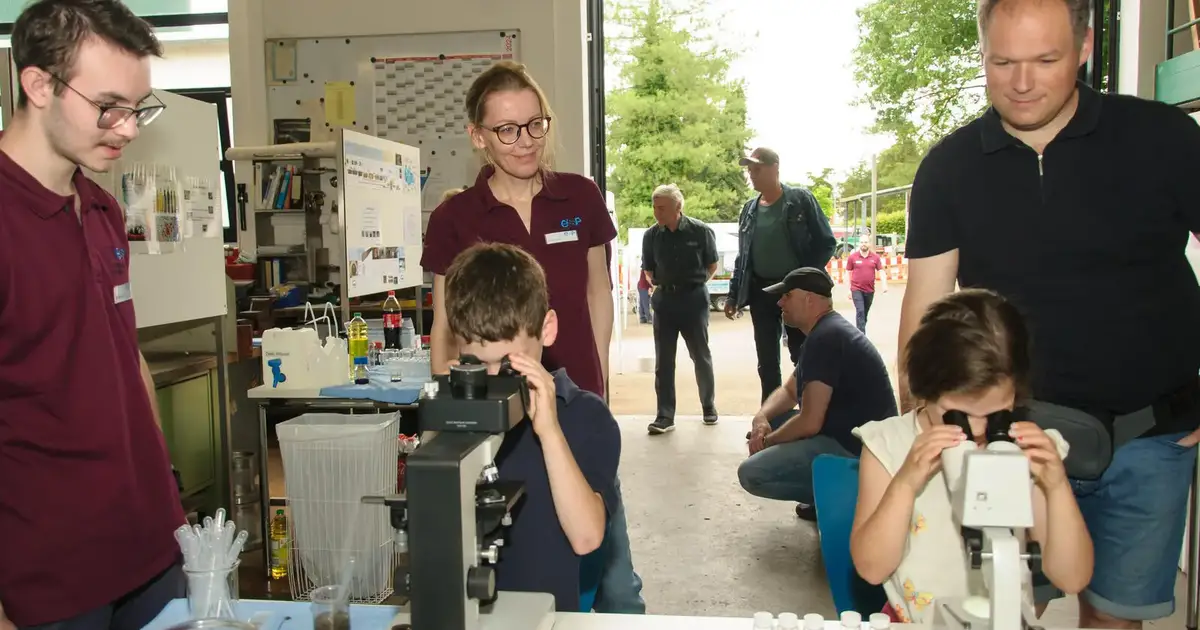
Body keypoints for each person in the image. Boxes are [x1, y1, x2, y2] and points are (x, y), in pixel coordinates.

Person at [897, 0, 1200, 626]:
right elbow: (924, 308)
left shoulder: (1167, 139)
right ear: (982, 55)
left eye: (1046, 59)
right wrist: (920, 421)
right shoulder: (948, 169)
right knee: (1000, 610)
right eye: (1003, 62)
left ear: (1085, 48)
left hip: (1149, 438)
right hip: (1005, 442)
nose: (1023, 82)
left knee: (1114, 618)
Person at [421, 61, 644, 614]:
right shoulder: (455, 216)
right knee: (508, 562)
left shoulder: (581, 198)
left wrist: (599, 386)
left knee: (612, 572)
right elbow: (444, 325)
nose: (525, 141)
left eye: (535, 124)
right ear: (478, 136)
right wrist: (454, 411)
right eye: (507, 129)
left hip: (570, 402)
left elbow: (598, 294)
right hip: (495, 413)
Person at [0, 1, 185, 628]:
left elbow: (125, 357)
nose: (128, 129)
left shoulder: (101, 209)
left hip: (153, 549)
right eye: (109, 106)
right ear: (39, 84)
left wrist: (165, 497)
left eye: (138, 108)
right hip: (51, 577)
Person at [854, 289, 1093, 624]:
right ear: (924, 388)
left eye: (997, 414)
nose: (979, 429)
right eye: (960, 416)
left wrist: (1056, 487)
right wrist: (905, 483)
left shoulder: (1029, 453)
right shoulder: (889, 445)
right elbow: (871, 567)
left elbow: (1072, 578)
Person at [441, 243, 619, 611]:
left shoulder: (585, 416)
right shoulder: (450, 414)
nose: (492, 378)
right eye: (475, 364)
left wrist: (549, 432)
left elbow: (587, 537)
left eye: (508, 364)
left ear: (547, 329)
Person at [738, 267, 897, 521]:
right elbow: (790, 391)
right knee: (775, 421)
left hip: (860, 450)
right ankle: (825, 494)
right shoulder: (826, 332)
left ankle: (843, 496)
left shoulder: (826, 338)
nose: (780, 302)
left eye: (787, 296)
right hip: (854, 437)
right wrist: (761, 418)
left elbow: (810, 422)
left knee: (751, 473)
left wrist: (766, 443)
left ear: (809, 299)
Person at [725, 148, 837, 402]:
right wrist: (734, 295)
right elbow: (743, 257)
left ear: (775, 168)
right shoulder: (749, 210)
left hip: (796, 293)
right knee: (766, 362)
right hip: (761, 292)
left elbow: (826, 242)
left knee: (803, 354)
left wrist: (804, 280)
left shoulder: (800, 200)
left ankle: (810, 414)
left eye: (757, 169)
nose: (752, 176)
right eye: (750, 171)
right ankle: (770, 420)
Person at [641, 184, 719, 434]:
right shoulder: (651, 236)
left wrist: (692, 285)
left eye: (661, 207)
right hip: (665, 300)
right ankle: (664, 415)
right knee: (664, 361)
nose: (656, 212)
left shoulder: (700, 231)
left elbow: (712, 265)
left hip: (694, 299)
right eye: (654, 206)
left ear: (678, 207)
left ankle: (708, 406)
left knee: (700, 355)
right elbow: (649, 271)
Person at [845, 239, 888, 333]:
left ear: (869, 244)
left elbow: (881, 271)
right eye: (861, 242)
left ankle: (860, 330)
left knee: (864, 313)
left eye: (865, 242)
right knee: (860, 311)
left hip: (869, 290)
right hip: (856, 289)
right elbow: (848, 272)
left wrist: (884, 285)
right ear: (859, 244)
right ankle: (861, 336)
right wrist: (849, 289)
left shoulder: (875, 257)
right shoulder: (853, 257)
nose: (863, 244)